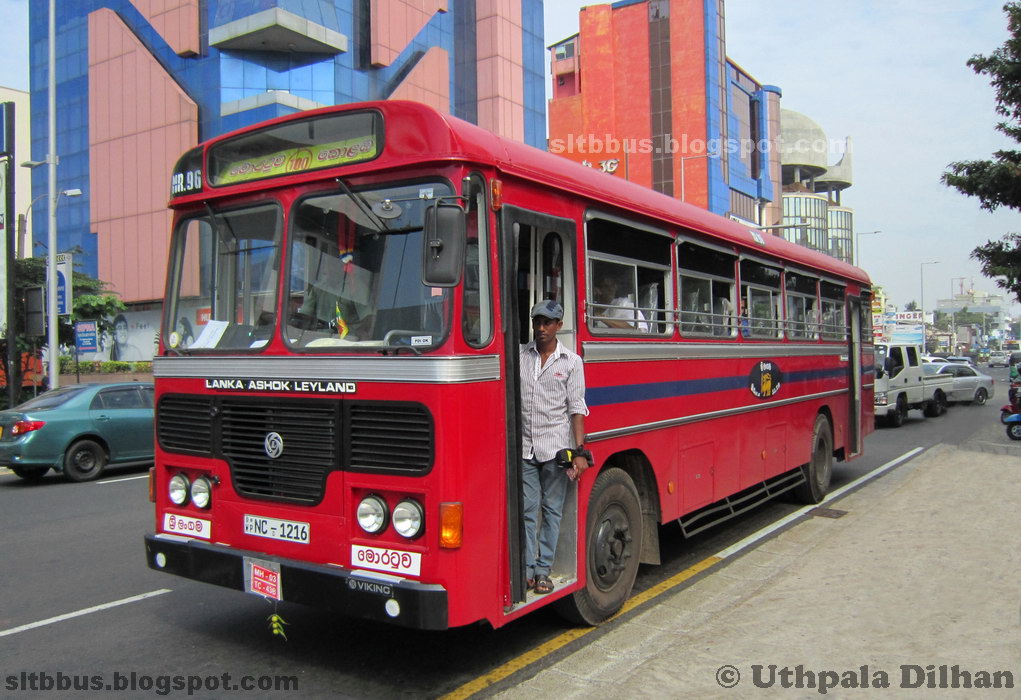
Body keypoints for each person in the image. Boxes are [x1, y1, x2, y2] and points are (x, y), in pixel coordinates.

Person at [519, 299, 590, 595]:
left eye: (547, 322)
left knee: (552, 510)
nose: (541, 328)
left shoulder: (571, 362)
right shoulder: (520, 355)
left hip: (556, 449)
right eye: (537, 321)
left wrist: (580, 452)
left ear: (559, 325)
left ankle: (544, 569)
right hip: (524, 448)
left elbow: (576, 408)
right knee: (527, 510)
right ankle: (526, 569)